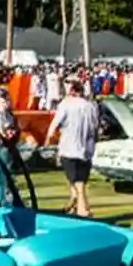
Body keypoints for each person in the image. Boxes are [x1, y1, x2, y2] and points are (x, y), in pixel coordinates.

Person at [45, 80, 100, 218]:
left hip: (69, 147)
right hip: (86, 149)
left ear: (72, 91)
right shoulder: (91, 106)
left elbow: (54, 125)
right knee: (77, 180)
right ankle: (72, 206)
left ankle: (83, 209)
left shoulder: (66, 104)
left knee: (77, 182)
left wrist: (48, 139)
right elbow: (95, 128)